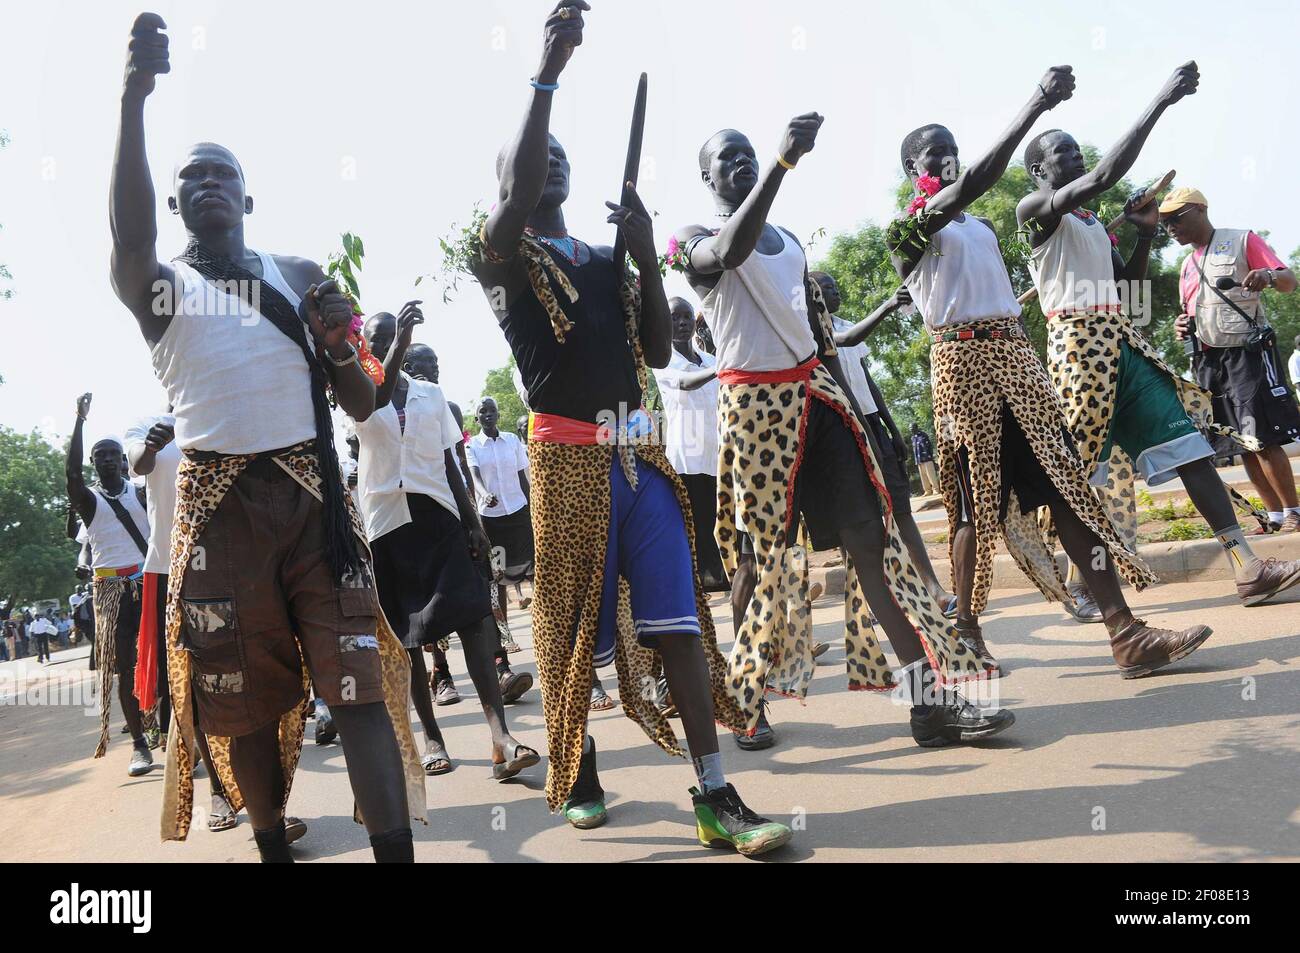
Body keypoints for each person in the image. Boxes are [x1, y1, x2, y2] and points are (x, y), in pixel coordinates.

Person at [468, 1, 790, 856]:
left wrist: (645, 250)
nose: (554, 162)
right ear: (514, 180)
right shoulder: (499, 256)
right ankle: (574, 769)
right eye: (537, 158)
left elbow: (653, 342)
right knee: (574, 632)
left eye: (562, 153)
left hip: (641, 458)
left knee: (678, 620)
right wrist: (549, 73)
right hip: (567, 461)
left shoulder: (606, 259)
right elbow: (510, 204)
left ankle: (716, 792)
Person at [108, 12, 421, 861]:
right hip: (218, 514)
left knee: (354, 686)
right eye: (193, 177)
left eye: (225, 175)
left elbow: (360, 399)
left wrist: (333, 342)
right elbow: (129, 238)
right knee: (241, 699)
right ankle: (269, 846)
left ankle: (396, 851)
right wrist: (135, 99)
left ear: (248, 199)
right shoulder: (163, 290)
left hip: (318, 507)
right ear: (179, 202)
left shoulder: (304, 276)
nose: (209, 183)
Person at [675, 117, 1005, 755]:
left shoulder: (790, 238)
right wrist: (779, 163)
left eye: (749, 154)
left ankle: (929, 704)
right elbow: (732, 252)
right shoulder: (694, 238)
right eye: (730, 159)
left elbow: (820, 335)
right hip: (754, 411)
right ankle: (747, 703)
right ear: (707, 178)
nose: (742, 163)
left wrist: (857, 417)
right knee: (759, 561)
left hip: (818, 400)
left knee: (871, 544)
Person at [889, 65, 1213, 679]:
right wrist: (1033, 107)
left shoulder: (980, 228)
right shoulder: (908, 229)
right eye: (938, 155)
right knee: (971, 509)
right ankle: (964, 635)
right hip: (962, 367)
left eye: (956, 152)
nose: (952, 162)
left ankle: (1126, 632)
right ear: (915, 171)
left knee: (1069, 489)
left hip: (1017, 359)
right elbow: (977, 183)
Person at [1019, 71, 1300, 612]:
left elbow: (1128, 287)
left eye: (1078, 151)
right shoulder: (1035, 214)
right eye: (1064, 154)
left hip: (1120, 343)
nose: (1076, 159)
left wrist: (1146, 232)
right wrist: (1161, 101)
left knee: (1188, 445)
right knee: (1081, 474)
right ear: (1039, 171)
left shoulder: (1092, 222)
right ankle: (1079, 582)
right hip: (1076, 349)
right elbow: (1104, 174)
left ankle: (1248, 567)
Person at [355, 305, 538, 780]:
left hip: (440, 516)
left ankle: (501, 737)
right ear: (363, 347)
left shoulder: (431, 395)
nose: (385, 345)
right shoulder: (355, 393)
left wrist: (472, 521)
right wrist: (394, 349)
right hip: (387, 526)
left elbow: (450, 460)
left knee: (475, 617)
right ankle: (432, 736)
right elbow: (371, 403)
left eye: (393, 338)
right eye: (377, 340)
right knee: (409, 637)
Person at [817, 272, 957, 616]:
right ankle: (872, 603)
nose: (834, 292)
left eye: (835, 286)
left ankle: (934, 590)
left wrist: (891, 429)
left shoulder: (848, 322)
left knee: (901, 509)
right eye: (825, 289)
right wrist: (890, 304)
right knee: (857, 523)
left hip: (872, 424)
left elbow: (866, 379)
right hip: (841, 432)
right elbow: (844, 341)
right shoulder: (811, 331)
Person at [402, 343, 533, 708]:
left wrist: (474, 519)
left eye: (435, 362)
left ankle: (502, 666)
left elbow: (458, 465)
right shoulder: (393, 410)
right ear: (404, 368)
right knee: (428, 603)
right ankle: (441, 671)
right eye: (420, 364)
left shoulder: (450, 409)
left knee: (489, 592)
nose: (430, 369)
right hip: (418, 521)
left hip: (460, 516)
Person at [1163, 187, 1300, 534]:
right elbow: (1191, 310)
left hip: (1246, 354)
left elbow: (1288, 282)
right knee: (1240, 444)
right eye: (1164, 224)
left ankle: (1294, 512)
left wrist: (1267, 276)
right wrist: (1183, 323)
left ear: (1198, 209)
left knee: (1262, 437)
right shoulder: (1186, 265)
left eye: (1175, 219)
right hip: (1208, 363)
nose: (1170, 229)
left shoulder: (1242, 240)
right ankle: (1274, 516)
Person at [65, 394, 153, 776]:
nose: (106, 459)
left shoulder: (141, 492)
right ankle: (138, 746)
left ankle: (166, 726)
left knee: (164, 659)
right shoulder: (87, 502)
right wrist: (80, 421)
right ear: (93, 464)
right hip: (110, 592)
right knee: (124, 668)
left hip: (147, 582)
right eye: (99, 455)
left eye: (112, 454)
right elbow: (71, 475)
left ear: (123, 461)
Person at [652, 296, 726, 590]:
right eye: (674, 318)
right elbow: (685, 383)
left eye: (686, 317)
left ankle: (723, 576)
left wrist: (722, 365)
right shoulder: (663, 362)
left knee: (722, 517)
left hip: (718, 452)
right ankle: (702, 581)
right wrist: (725, 368)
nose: (681, 323)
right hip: (688, 456)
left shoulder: (711, 360)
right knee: (698, 521)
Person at [467, 398, 535, 640]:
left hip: (519, 514)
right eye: (482, 411)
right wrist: (485, 495)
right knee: (498, 578)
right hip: (492, 521)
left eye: (492, 410)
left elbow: (522, 477)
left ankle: (545, 627)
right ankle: (505, 637)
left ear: (498, 415)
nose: (488, 414)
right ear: (477, 419)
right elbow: (474, 476)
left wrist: (533, 508)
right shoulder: (472, 446)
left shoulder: (513, 441)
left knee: (533, 570)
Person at [911, 423, 939, 496]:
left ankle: (935, 489)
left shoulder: (923, 435)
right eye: (910, 428)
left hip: (927, 458)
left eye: (912, 428)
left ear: (916, 427)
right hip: (919, 460)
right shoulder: (913, 438)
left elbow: (929, 446)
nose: (911, 429)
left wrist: (931, 457)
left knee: (931, 475)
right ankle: (927, 491)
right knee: (923, 477)